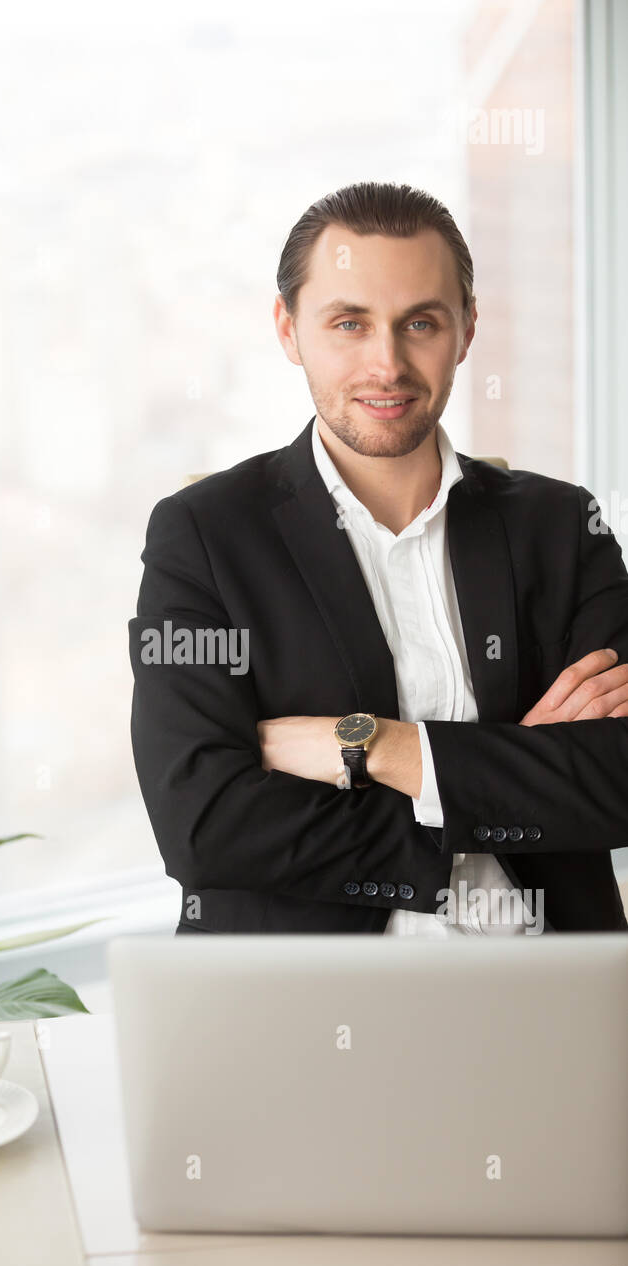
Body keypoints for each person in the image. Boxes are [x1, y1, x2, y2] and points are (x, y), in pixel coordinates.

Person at [128, 181, 628, 936]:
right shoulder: (203, 537)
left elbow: (617, 780)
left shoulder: (562, 525)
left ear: (465, 331)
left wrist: (374, 748)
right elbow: (206, 827)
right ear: (289, 331)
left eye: (420, 322)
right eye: (350, 324)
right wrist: (511, 778)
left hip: (551, 993)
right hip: (310, 1007)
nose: (386, 364)